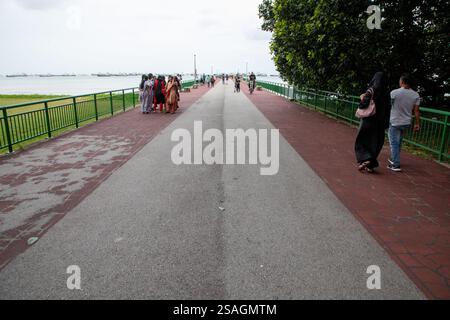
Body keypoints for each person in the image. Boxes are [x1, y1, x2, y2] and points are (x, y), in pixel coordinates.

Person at [355, 72, 391, 173]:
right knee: (376, 143)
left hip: (368, 120)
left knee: (362, 141)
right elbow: (388, 110)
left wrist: (362, 97)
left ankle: (365, 160)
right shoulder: (387, 94)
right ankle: (370, 165)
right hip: (380, 122)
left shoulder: (371, 91)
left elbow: (362, 105)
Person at [388, 74, 421, 172]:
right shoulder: (415, 94)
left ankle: (395, 165)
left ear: (402, 82)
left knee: (394, 143)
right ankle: (394, 158)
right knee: (398, 142)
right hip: (406, 122)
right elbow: (416, 111)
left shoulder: (394, 92)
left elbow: (389, 105)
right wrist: (417, 124)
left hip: (394, 121)